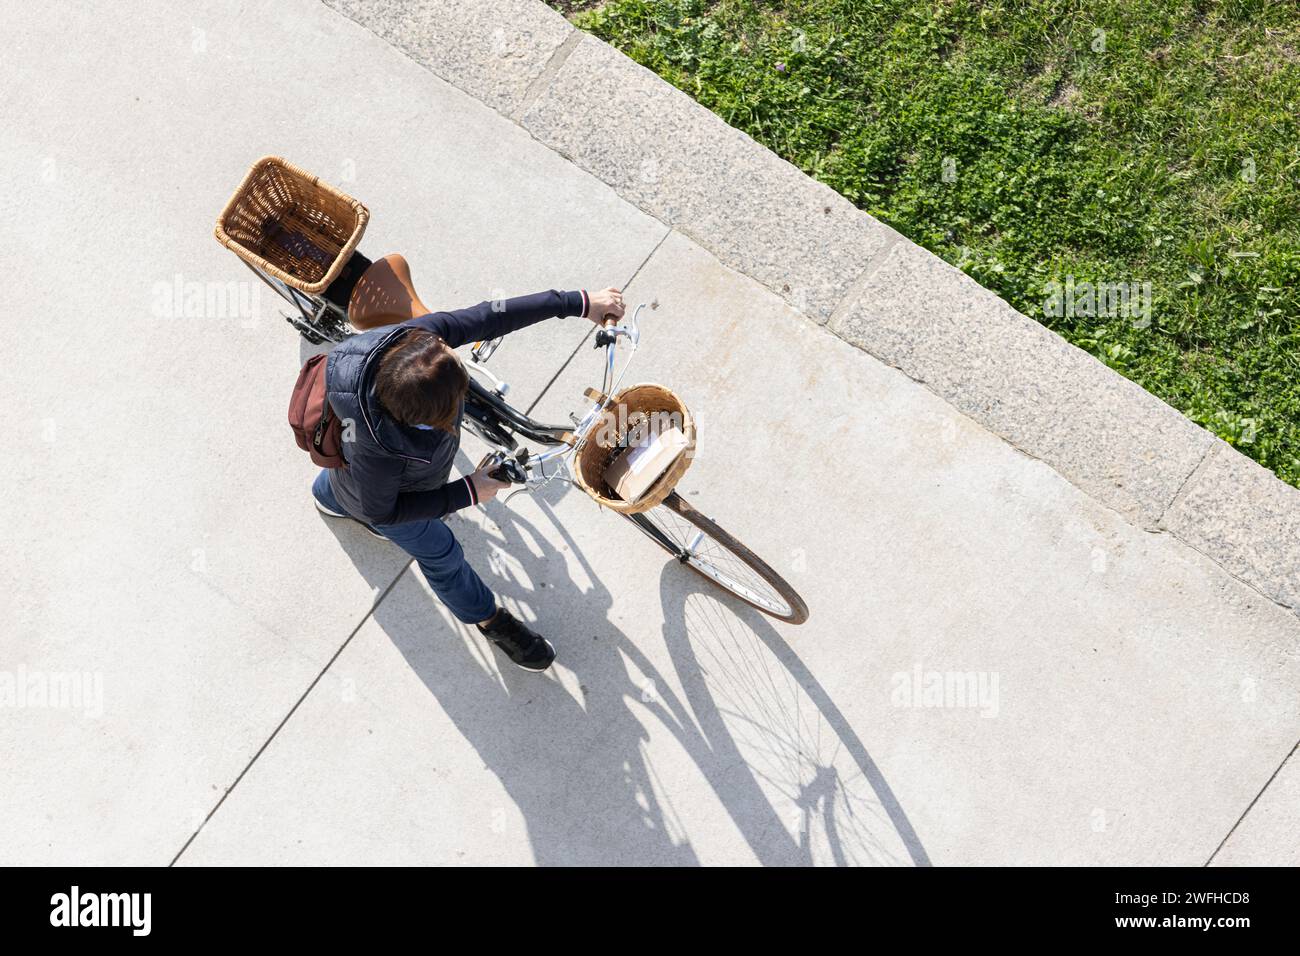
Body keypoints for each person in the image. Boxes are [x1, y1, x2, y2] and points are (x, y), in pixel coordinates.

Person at [312, 285, 626, 672]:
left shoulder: (416, 346)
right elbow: (384, 510)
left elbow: (488, 316)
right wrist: (468, 491)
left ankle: (326, 496)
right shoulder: (383, 451)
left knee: (338, 483)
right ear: (428, 419)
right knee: (442, 552)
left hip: (353, 464)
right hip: (376, 496)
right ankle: (489, 620)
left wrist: (578, 303)